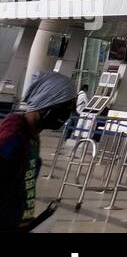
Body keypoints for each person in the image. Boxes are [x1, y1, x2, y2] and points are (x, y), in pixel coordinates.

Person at [0, 71, 77, 232]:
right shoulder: (12, 138)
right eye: (64, 107)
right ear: (45, 103)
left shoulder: (31, 136)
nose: (67, 114)